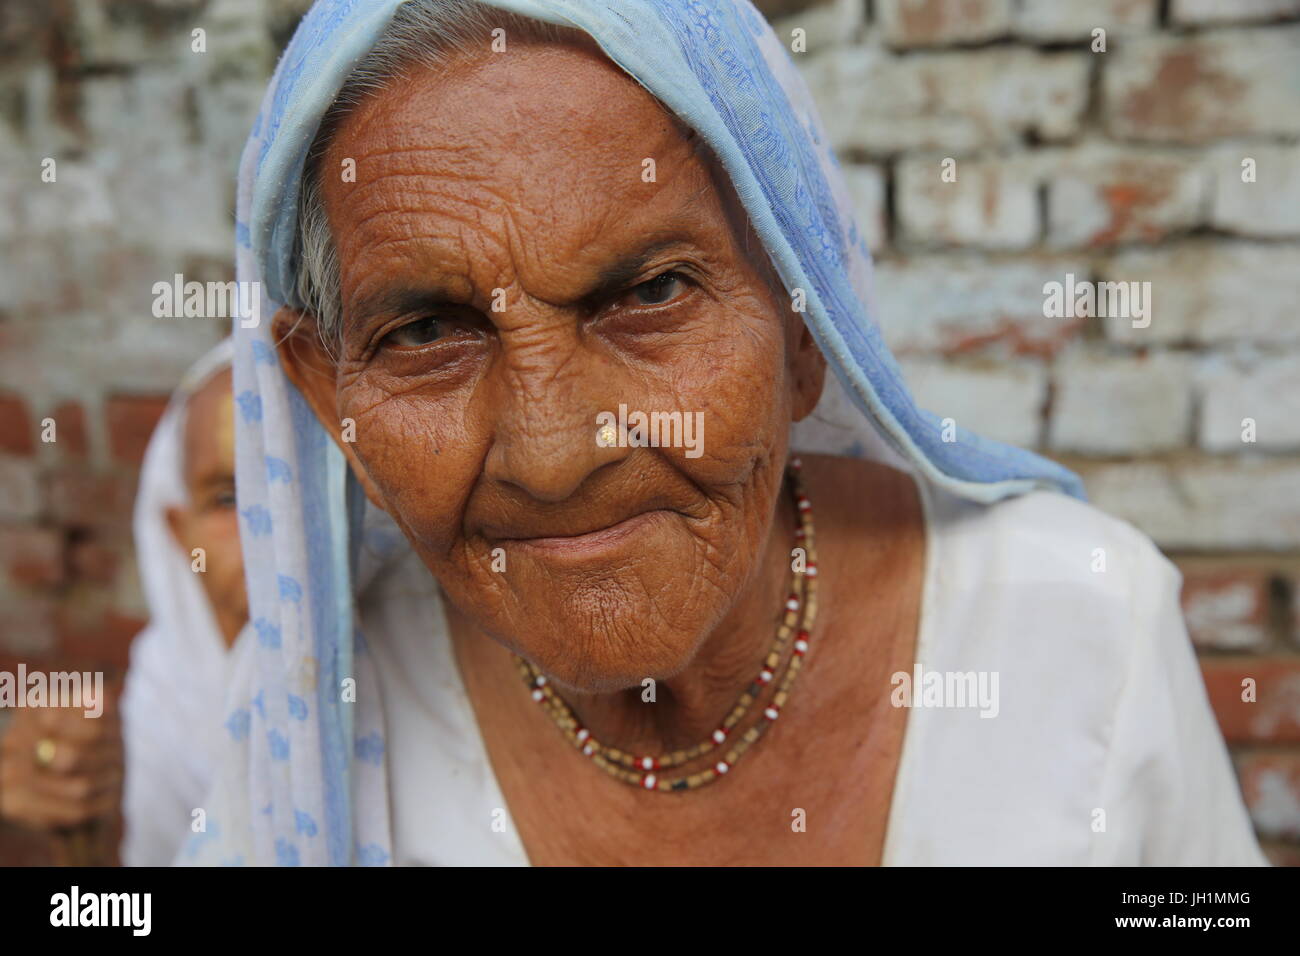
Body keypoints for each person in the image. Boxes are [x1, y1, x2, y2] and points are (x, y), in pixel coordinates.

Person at [184, 0, 1265, 866]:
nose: (556, 456)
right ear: (333, 399)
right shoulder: (314, 714)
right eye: (427, 329)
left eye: (648, 291)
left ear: (806, 327)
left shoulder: (1081, 627)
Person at [0, 341, 246, 866]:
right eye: (228, 498)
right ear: (182, 533)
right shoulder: (163, 699)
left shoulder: (422, 670)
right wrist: (78, 838)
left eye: (292, 490)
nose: (269, 529)